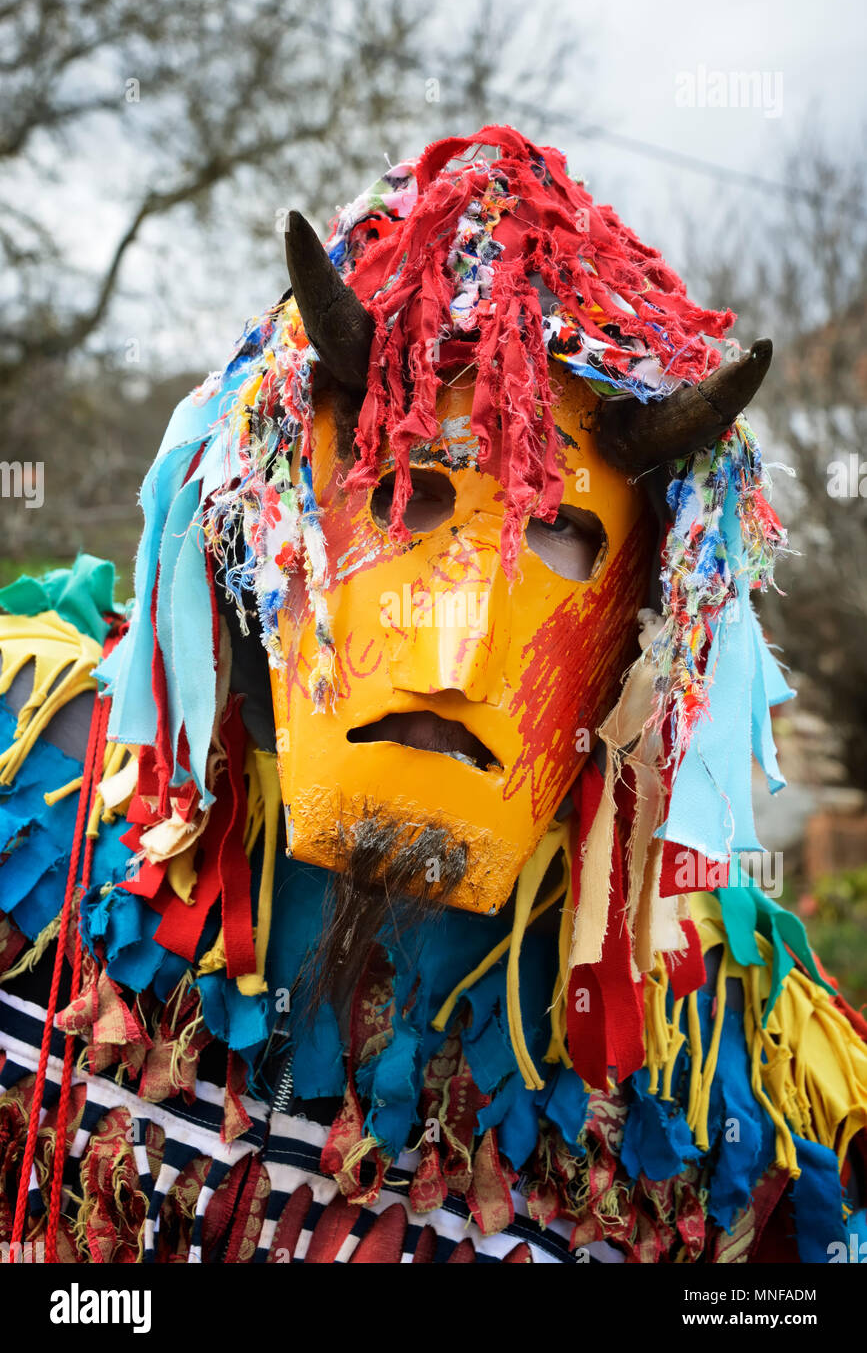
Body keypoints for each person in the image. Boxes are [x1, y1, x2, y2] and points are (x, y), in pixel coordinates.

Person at [1, 127, 865, 1265]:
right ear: (258, 515)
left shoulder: (728, 1065)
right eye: (402, 494)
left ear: (663, 607)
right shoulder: (32, 774)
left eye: (558, 534)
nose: (451, 649)